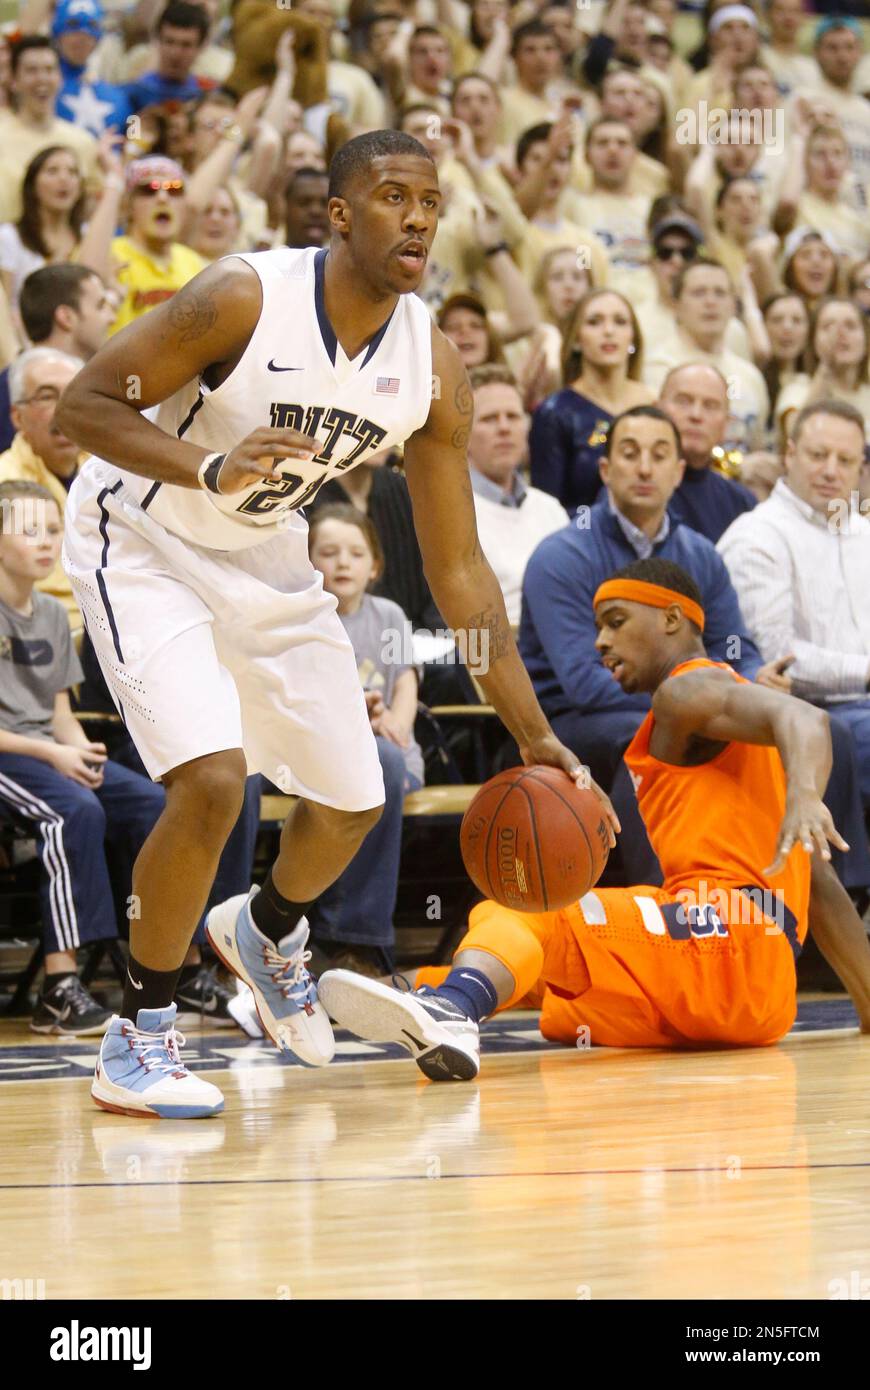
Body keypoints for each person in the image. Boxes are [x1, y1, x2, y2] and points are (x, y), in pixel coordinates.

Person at [56, 128, 615, 1119]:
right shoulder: (242, 296)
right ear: (342, 215)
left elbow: (459, 571)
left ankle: (264, 933)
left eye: (431, 202)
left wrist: (534, 734)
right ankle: (134, 1036)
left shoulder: (432, 366)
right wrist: (210, 468)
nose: (418, 216)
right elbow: (84, 404)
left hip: (265, 553)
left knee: (358, 792)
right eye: (394, 196)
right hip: (140, 534)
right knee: (214, 783)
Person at [318, 556, 870, 1080]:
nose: (601, 641)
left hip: (717, 941)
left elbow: (804, 716)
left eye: (616, 621)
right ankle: (386, 997)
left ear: (673, 618)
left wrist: (806, 795)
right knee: (540, 972)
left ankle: (449, 1007)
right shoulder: (736, 739)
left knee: (530, 907)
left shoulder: (687, 688)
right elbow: (821, 890)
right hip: (760, 999)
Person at [0, 480, 166, 1037]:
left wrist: (76, 748)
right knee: (73, 811)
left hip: (41, 751)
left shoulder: (50, 614)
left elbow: (60, 713)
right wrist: (52, 752)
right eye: (29, 530)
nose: (45, 542)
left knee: (152, 802)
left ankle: (168, 966)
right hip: (10, 755)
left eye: (53, 530)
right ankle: (60, 985)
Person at [718, 400, 870, 810]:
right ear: (789, 454)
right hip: (806, 712)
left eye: (845, 459)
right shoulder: (756, 536)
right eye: (818, 455)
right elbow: (777, 660)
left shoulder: (865, 533)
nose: (831, 471)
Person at [307, 504, 423, 975]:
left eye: (356, 553)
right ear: (306, 562)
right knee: (372, 768)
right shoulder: (299, 617)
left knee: (385, 764)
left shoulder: (390, 614)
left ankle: (361, 941)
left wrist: (396, 719)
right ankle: (340, 937)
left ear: (374, 566)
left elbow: (406, 682)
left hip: (386, 752)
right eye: (328, 552)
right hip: (319, 756)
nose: (342, 563)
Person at [529, 289, 653, 516]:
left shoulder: (655, 405)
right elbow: (545, 512)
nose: (608, 331)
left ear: (633, 338)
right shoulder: (554, 413)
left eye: (620, 322)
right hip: (582, 542)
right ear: (576, 339)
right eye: (594, 322)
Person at [466, 365, 567, 627]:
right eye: (489, 419)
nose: (504, 428)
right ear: (462, 433)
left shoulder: (550, 508)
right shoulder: (451, 512)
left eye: (513, 416)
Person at [0, 348, 85, 630]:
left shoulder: (109, 469)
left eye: (75, 393)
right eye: (47, 397)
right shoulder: (6, 485)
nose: (64, 409)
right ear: (17, 417)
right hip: (48, 636)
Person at [0, 265, 114, 453]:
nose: (111, 317)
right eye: (101, 306)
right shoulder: (8, 389)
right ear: (66, 317)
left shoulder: (99, 381)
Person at [0, 37, 99, 225]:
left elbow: (91, 208)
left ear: (60, 78)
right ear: (13, 81)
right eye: (31, 70)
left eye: (49, 69)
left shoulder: (83, 142)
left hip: (66, 252)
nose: (42, 78)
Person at [659, 364, 757, 542]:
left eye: (710, 406)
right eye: (683, 401)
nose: (696, 415)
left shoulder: (742, 504)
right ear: (658, 409)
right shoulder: (634, 488)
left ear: (726, 424)